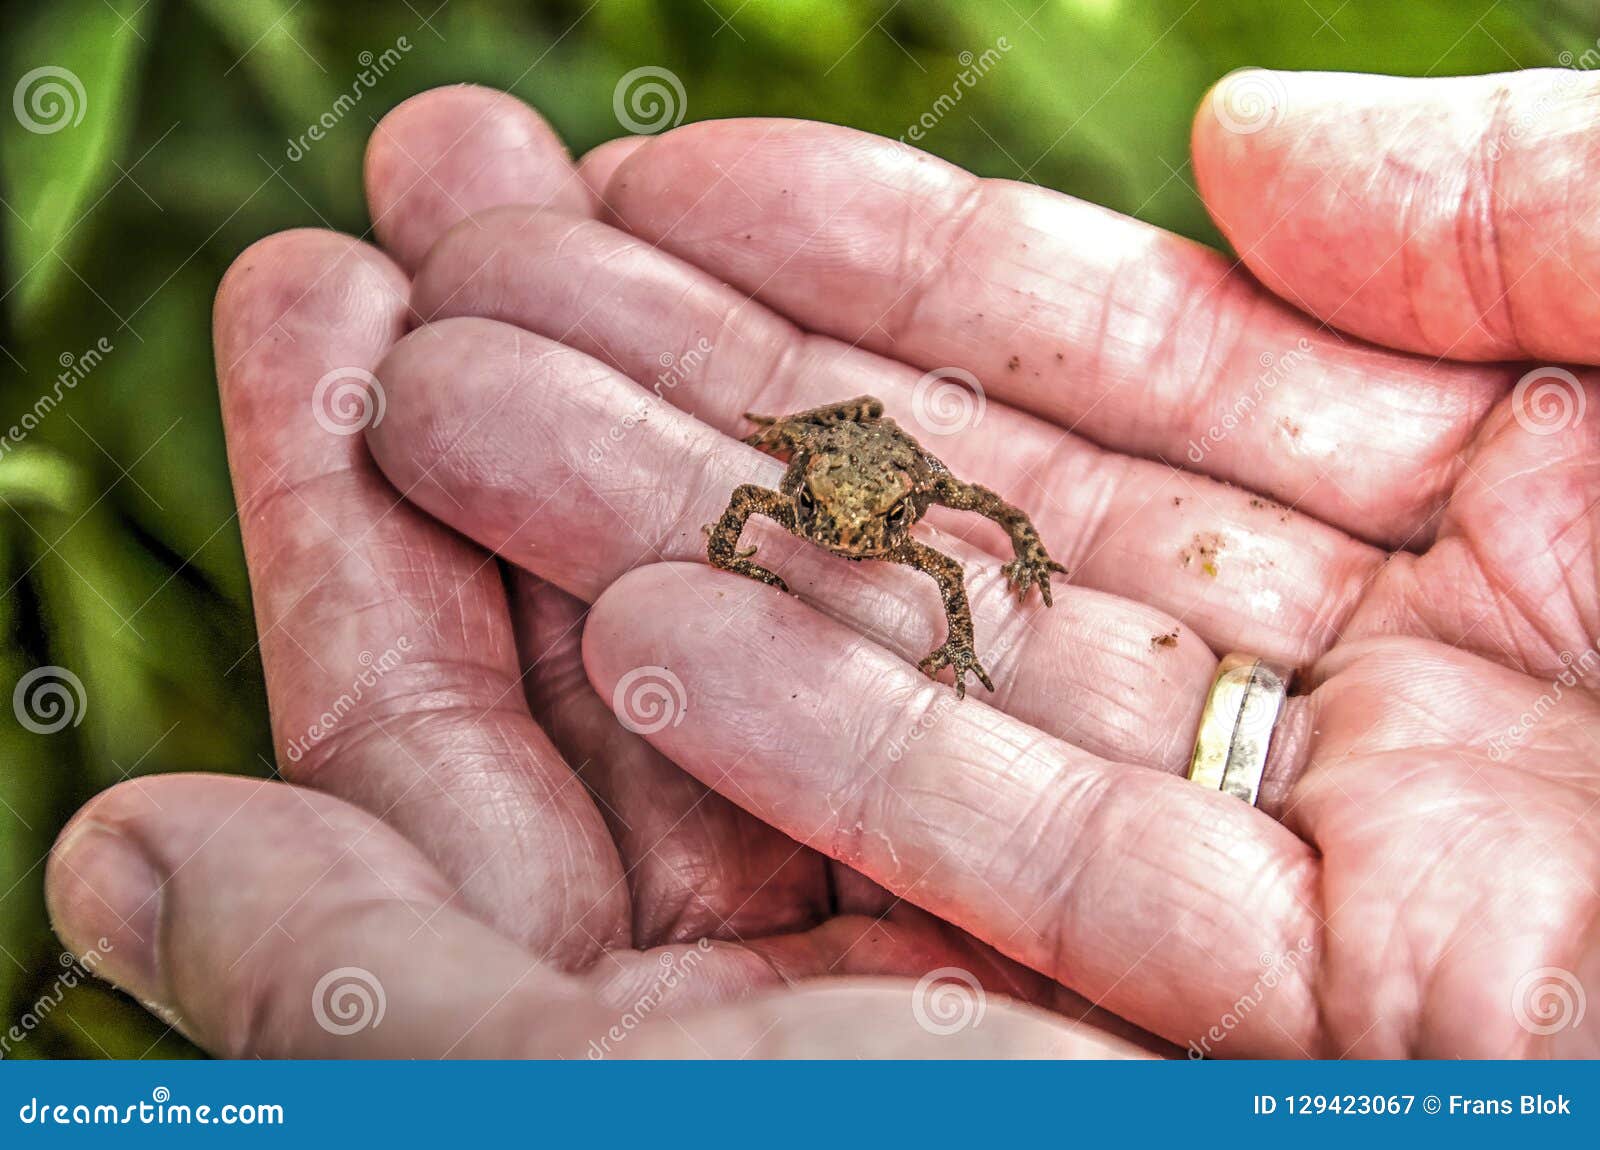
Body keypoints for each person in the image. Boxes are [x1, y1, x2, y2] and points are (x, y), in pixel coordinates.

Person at [46, 69, 1600, 1058]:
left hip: (895, 471)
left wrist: (1015, 575)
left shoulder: (908, 515)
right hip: (833, 452)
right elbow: (757, 509)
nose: (847, 546)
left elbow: (957, 544)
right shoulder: (802, 486)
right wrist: (746, 535)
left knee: (952, 505)